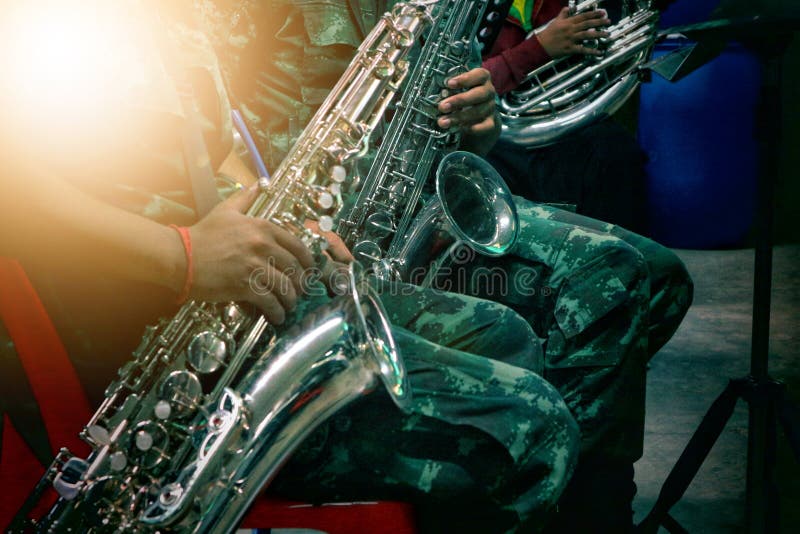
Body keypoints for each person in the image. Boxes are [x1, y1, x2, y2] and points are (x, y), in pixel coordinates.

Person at [0, 1, 579, 532]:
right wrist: (184, 255)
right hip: (129, 345)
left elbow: (196, 153)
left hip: (202, 300)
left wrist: (279, 223)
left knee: (505, 337)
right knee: (531, 425)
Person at [200, 0, 693, 531]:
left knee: (653, 275)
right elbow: (209, 141)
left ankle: (575, 500)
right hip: (317, 233)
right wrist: (271, 213)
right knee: (598, 286)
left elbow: (459, 117)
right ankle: (561, 501)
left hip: (416, 201)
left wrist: (477, 125)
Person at [482, 0, 651, 234]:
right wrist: (538, 49)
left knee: (617, 155)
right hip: (495, 136)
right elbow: (454, 81)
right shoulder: (454, 12)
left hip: (574, 121)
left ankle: (621, 263)